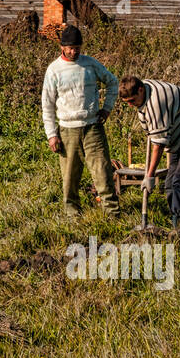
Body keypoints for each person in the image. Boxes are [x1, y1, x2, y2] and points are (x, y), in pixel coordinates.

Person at [118, 75, 180, 238]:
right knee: (170, 182)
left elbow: (158, 145)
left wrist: (149, 175)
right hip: (177, 133)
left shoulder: (156, 104)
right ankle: (175, 218)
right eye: (127, 103)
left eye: (132, 101)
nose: (130, 105)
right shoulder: (143, 90)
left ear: (140, 90)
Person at [41, 25, 119, 217]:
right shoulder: (54, 70)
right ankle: (73, 215)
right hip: (67, 130)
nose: (74, 51)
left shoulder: (90, 64)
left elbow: (112, 82)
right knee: (70, 177)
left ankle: (112, 213)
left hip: (93, 127)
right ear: (62, 47)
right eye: (70, 48)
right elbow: (47, 105)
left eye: (77, 47)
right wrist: (52, 135)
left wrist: (107, 109)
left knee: (102, 171)